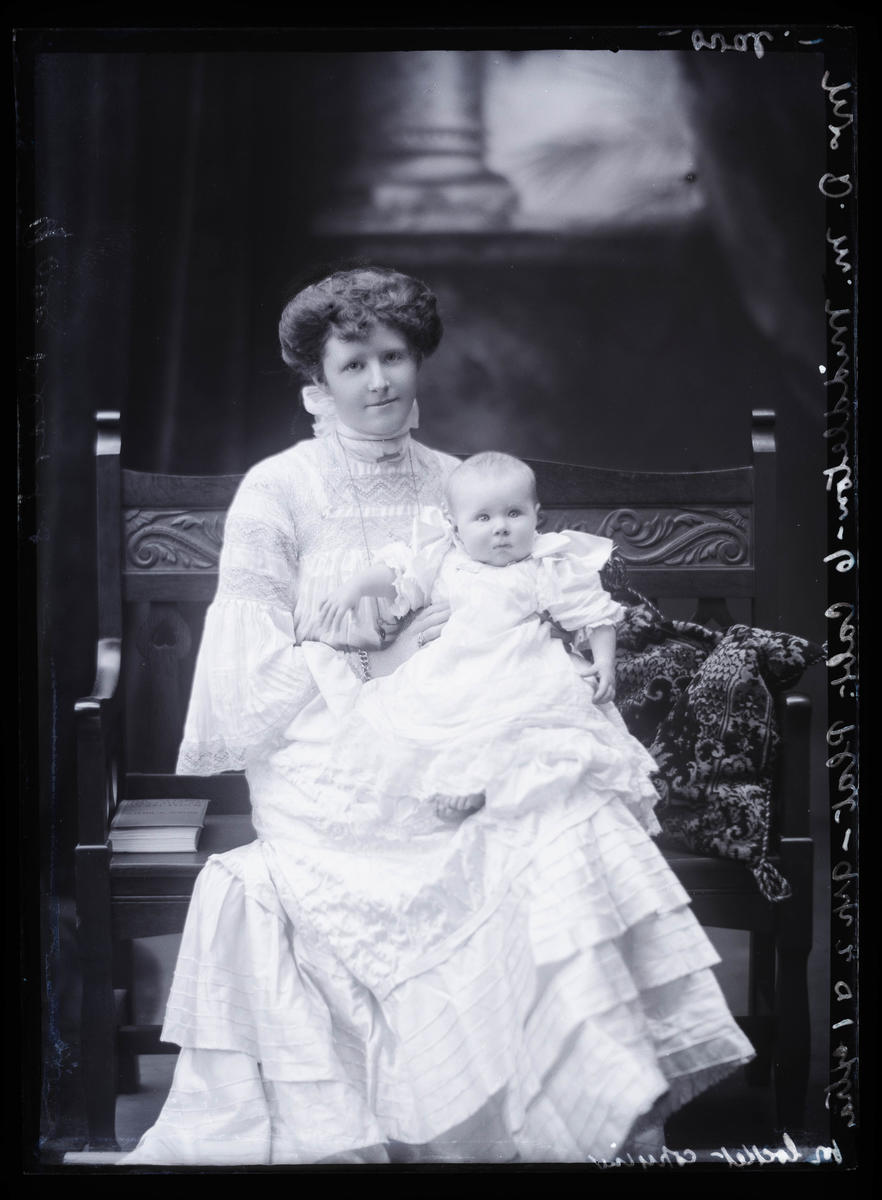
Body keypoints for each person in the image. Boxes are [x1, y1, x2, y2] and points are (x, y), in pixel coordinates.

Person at [121, 266, 753, 1167]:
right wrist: (369, 658)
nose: (378, 381)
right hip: (323, 742)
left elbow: (529, 611)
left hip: (463, 722)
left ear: (417, 364)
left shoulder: (461, 483)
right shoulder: (277, 488)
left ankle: (567, 1108)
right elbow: (247, 675)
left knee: (556, 817)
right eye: (354, 364)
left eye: (393, 357)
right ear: (318, 384)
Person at [293, 450, 659, 835]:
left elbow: (591, 612)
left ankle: (502, 794)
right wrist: (354, 588)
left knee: (536, 726)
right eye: (483, 518)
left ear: (537, 515)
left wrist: (603, 661)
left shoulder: (544, 566)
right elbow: (397, 575)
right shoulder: (444, 561)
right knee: (440, 719)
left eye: (514, 513)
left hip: (527, 666)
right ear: (454, 526)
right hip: (457, 668)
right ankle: (459, 787)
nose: (500, 527)